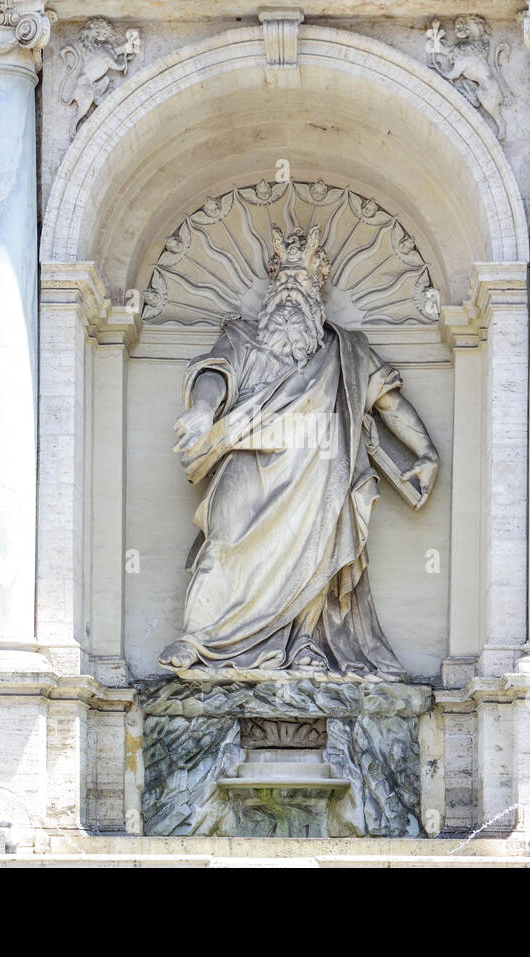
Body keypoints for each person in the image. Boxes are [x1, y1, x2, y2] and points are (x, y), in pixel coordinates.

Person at [158, 226, 439, 676]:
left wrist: (425, 452)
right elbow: (215, 373)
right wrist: (203, 412)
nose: (291, 295)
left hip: (318, 466)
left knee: (321, 534)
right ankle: (200, 636)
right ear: (270, 295)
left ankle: (306, 642)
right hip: (247, 455)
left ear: (317, 297)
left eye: (301, 286)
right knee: (225, 540)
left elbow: (388, 401)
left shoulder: (346, 351)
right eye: (283, 286)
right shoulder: (242, 337)